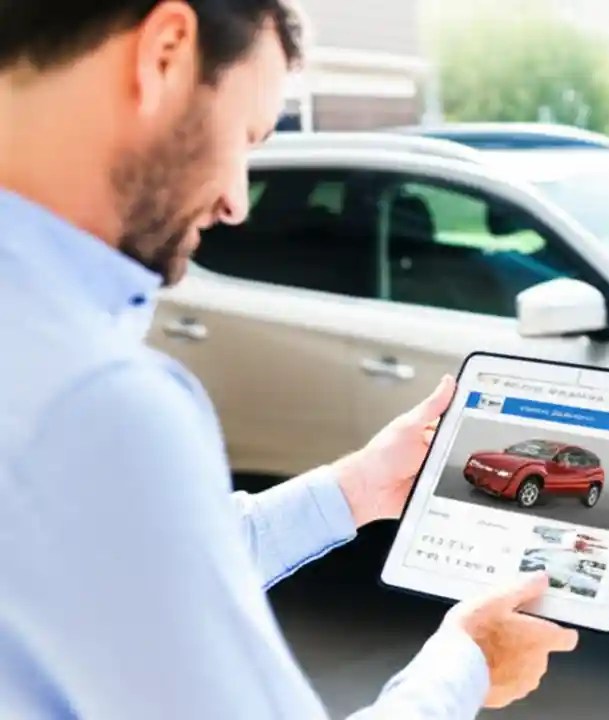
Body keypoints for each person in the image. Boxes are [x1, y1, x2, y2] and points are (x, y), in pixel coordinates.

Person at [0, 1, 578, 718]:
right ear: (166, 52)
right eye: (245, 138)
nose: (237, 201)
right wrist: (467, 661)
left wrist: (356, 488)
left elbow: (138, 577)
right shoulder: (96, 402)